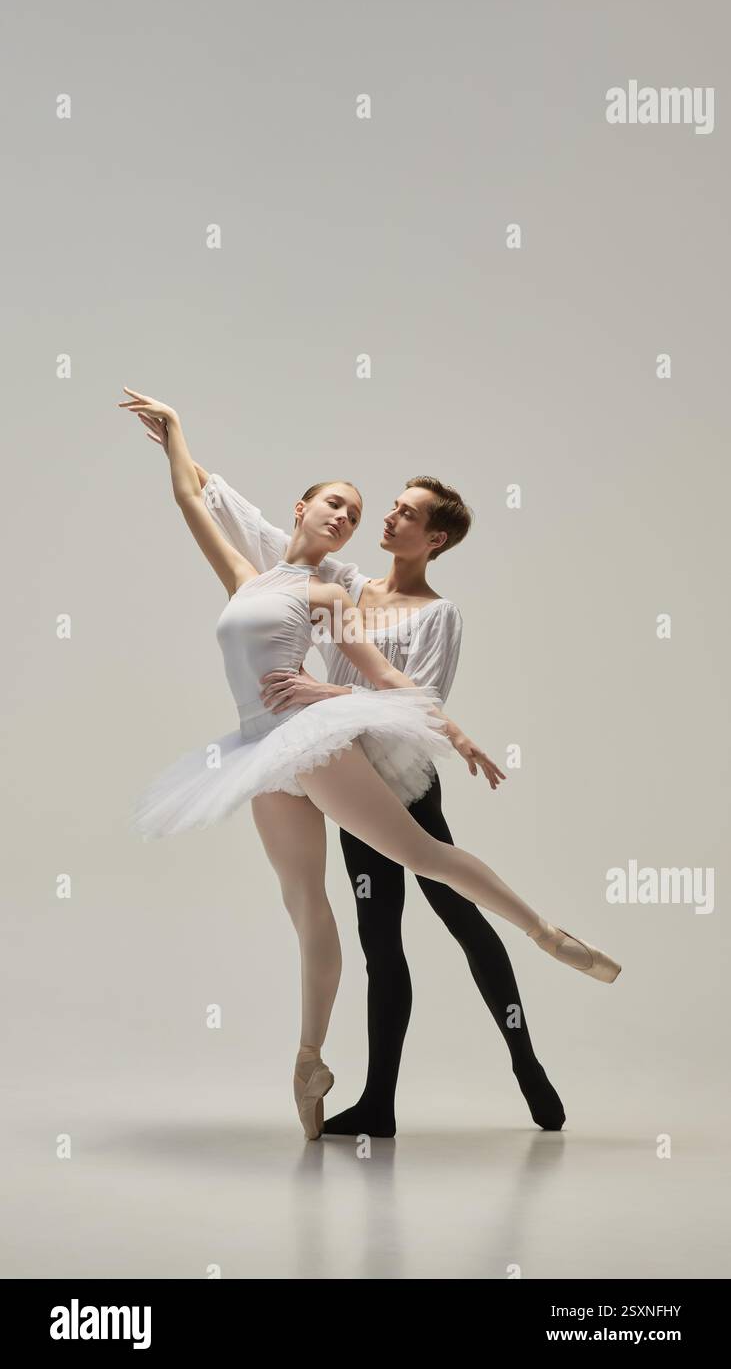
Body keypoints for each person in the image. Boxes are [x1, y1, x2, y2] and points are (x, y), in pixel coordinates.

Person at [120, 388, 622, 1141]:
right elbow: (208, 502)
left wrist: (458, 736)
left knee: (437, 873)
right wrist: (176, 434)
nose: (362, 518)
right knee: (317, 915)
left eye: (380, 512)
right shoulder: (285, 578)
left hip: (353, 750)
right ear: (301, 508)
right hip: (263, 755)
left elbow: (393, 685)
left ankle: (546, 939)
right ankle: (313, 1061)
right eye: (344, 507)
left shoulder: (338, 595)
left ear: (435, 540)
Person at [191, 464, 572, 1137]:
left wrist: (323, 693)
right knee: (378, 941)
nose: (390, 519)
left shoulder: (437, 615)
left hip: (403, 783)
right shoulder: (343, 584)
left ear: (435, 540)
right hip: (342, 782)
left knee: (464, 919)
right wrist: (201, 476)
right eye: (390, 509)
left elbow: (419, 702)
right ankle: (378, 1103)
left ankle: (525, 1061)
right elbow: (269, 532)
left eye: (407, 514)